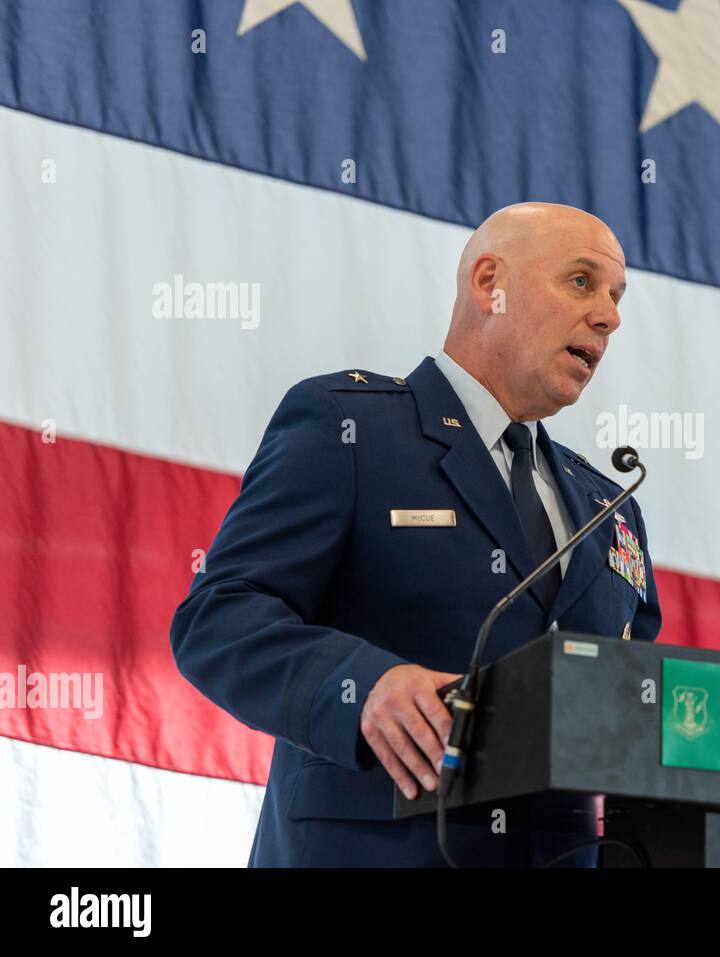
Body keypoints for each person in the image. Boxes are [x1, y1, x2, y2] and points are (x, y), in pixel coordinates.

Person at [170, 202, 662, 866]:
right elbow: (218, 618)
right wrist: (363, 683)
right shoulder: (351, 430)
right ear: (491, 283)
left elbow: (630, 712)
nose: (609, 314)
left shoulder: (611, 507)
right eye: (582, 281)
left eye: (616, 296)